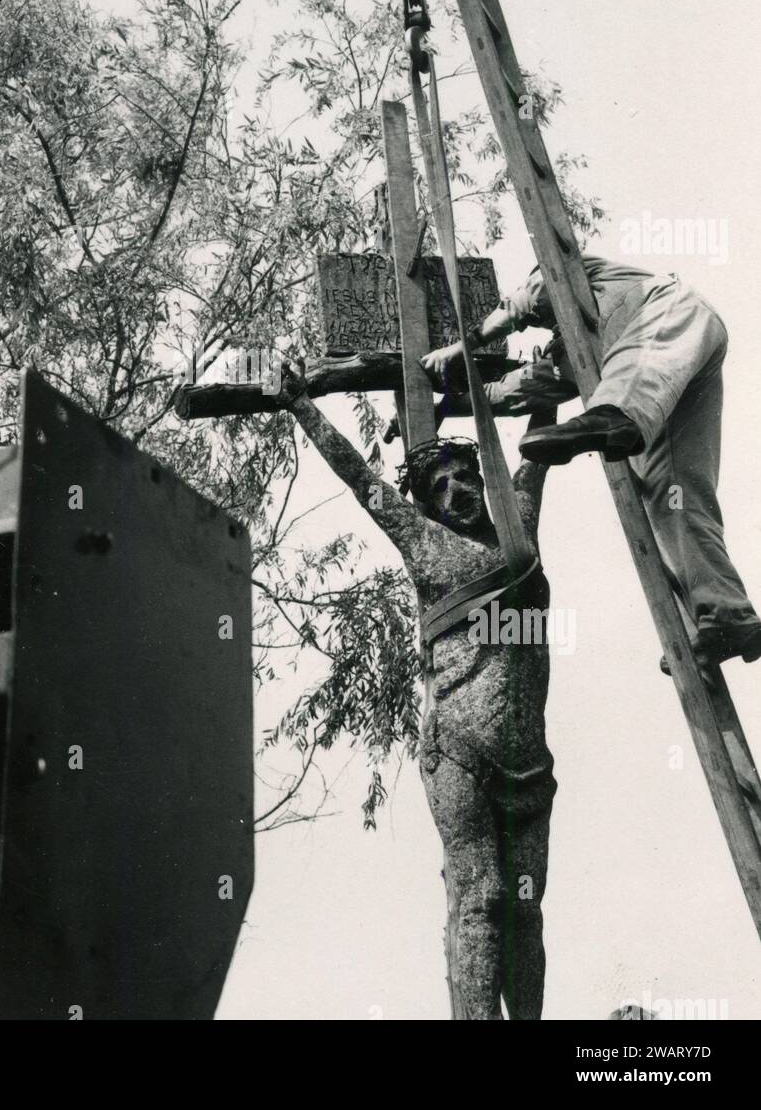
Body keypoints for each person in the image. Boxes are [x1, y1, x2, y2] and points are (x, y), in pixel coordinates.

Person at [274, 362, 557, 1019]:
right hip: (459, 753)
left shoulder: (517, 527)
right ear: (427, 502)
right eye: (441, 485)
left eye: (464, 478)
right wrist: (302, 407)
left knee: (524, 906)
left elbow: (540, 455)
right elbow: (361, 480)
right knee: (482, 893)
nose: (457, 490)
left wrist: (547, 384)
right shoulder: (422, 541)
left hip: (529, 765)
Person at [422, 255, 761, 670]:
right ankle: (728, 618)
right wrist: (445, 404)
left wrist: (461, 346)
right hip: (666, 382)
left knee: (622, 405)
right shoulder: (573, 357)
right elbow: (512, 393)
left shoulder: (572, 273)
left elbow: (523, 300)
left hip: (670, 320)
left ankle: (612, 418)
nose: (539, 323)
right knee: (672, 497)